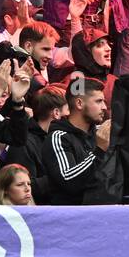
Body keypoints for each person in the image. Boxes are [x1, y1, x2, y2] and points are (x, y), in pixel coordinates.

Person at [44, 76, 110, 205]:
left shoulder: (100, 134)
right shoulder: (58, 137)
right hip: (71, 218)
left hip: (104, 214)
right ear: (79, 103)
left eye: (104, 101)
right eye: (98, 101)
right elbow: (69, 180)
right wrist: (99, 151)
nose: (104, 107)